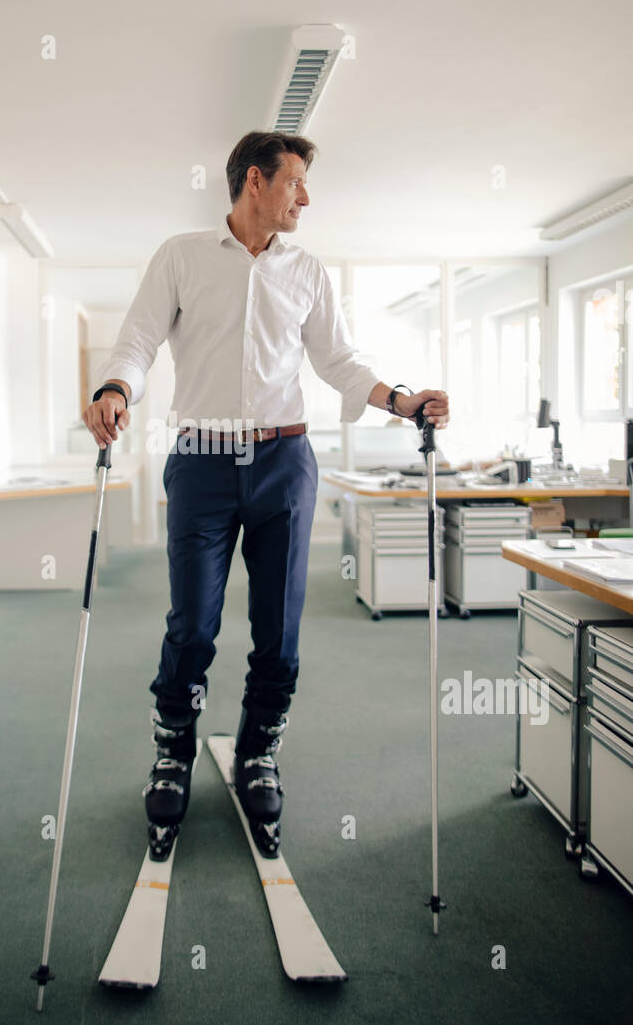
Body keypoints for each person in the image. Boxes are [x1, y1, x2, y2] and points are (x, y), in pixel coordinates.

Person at [82, 130, 449, 861]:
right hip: (202, 460)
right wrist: (116, 388)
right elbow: (139, 341)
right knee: (193, 623)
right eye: (295, 183)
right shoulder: (181, 256)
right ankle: (173, 749)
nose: (305, 198)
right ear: (256, 180)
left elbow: (339, 361)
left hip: (284, 459)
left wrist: (400, 401)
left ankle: (258, 751)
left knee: (279, 628)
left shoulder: (307, 271)